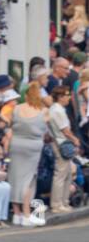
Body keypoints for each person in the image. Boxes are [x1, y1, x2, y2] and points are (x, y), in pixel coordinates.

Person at [8, 83, 51, 227]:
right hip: (33, 147)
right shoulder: (44, 111)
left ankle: (16, 213)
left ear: (25, 94)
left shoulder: (17, 108)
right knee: (28, 180)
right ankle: (26, 214)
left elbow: (9, 124)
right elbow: (47, 131)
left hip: (16, 145)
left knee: (15, 178)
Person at [48, 85, 81, 213]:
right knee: (60, 174)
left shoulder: (58, 109)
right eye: (67, 95)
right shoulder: (57, 110)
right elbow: (65, 130)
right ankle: (56, 204)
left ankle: (64, 201)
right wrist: (75, 139)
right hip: (61, 143)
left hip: (63, 143)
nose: (69, 98)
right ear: (60, 97)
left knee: (67, 173)